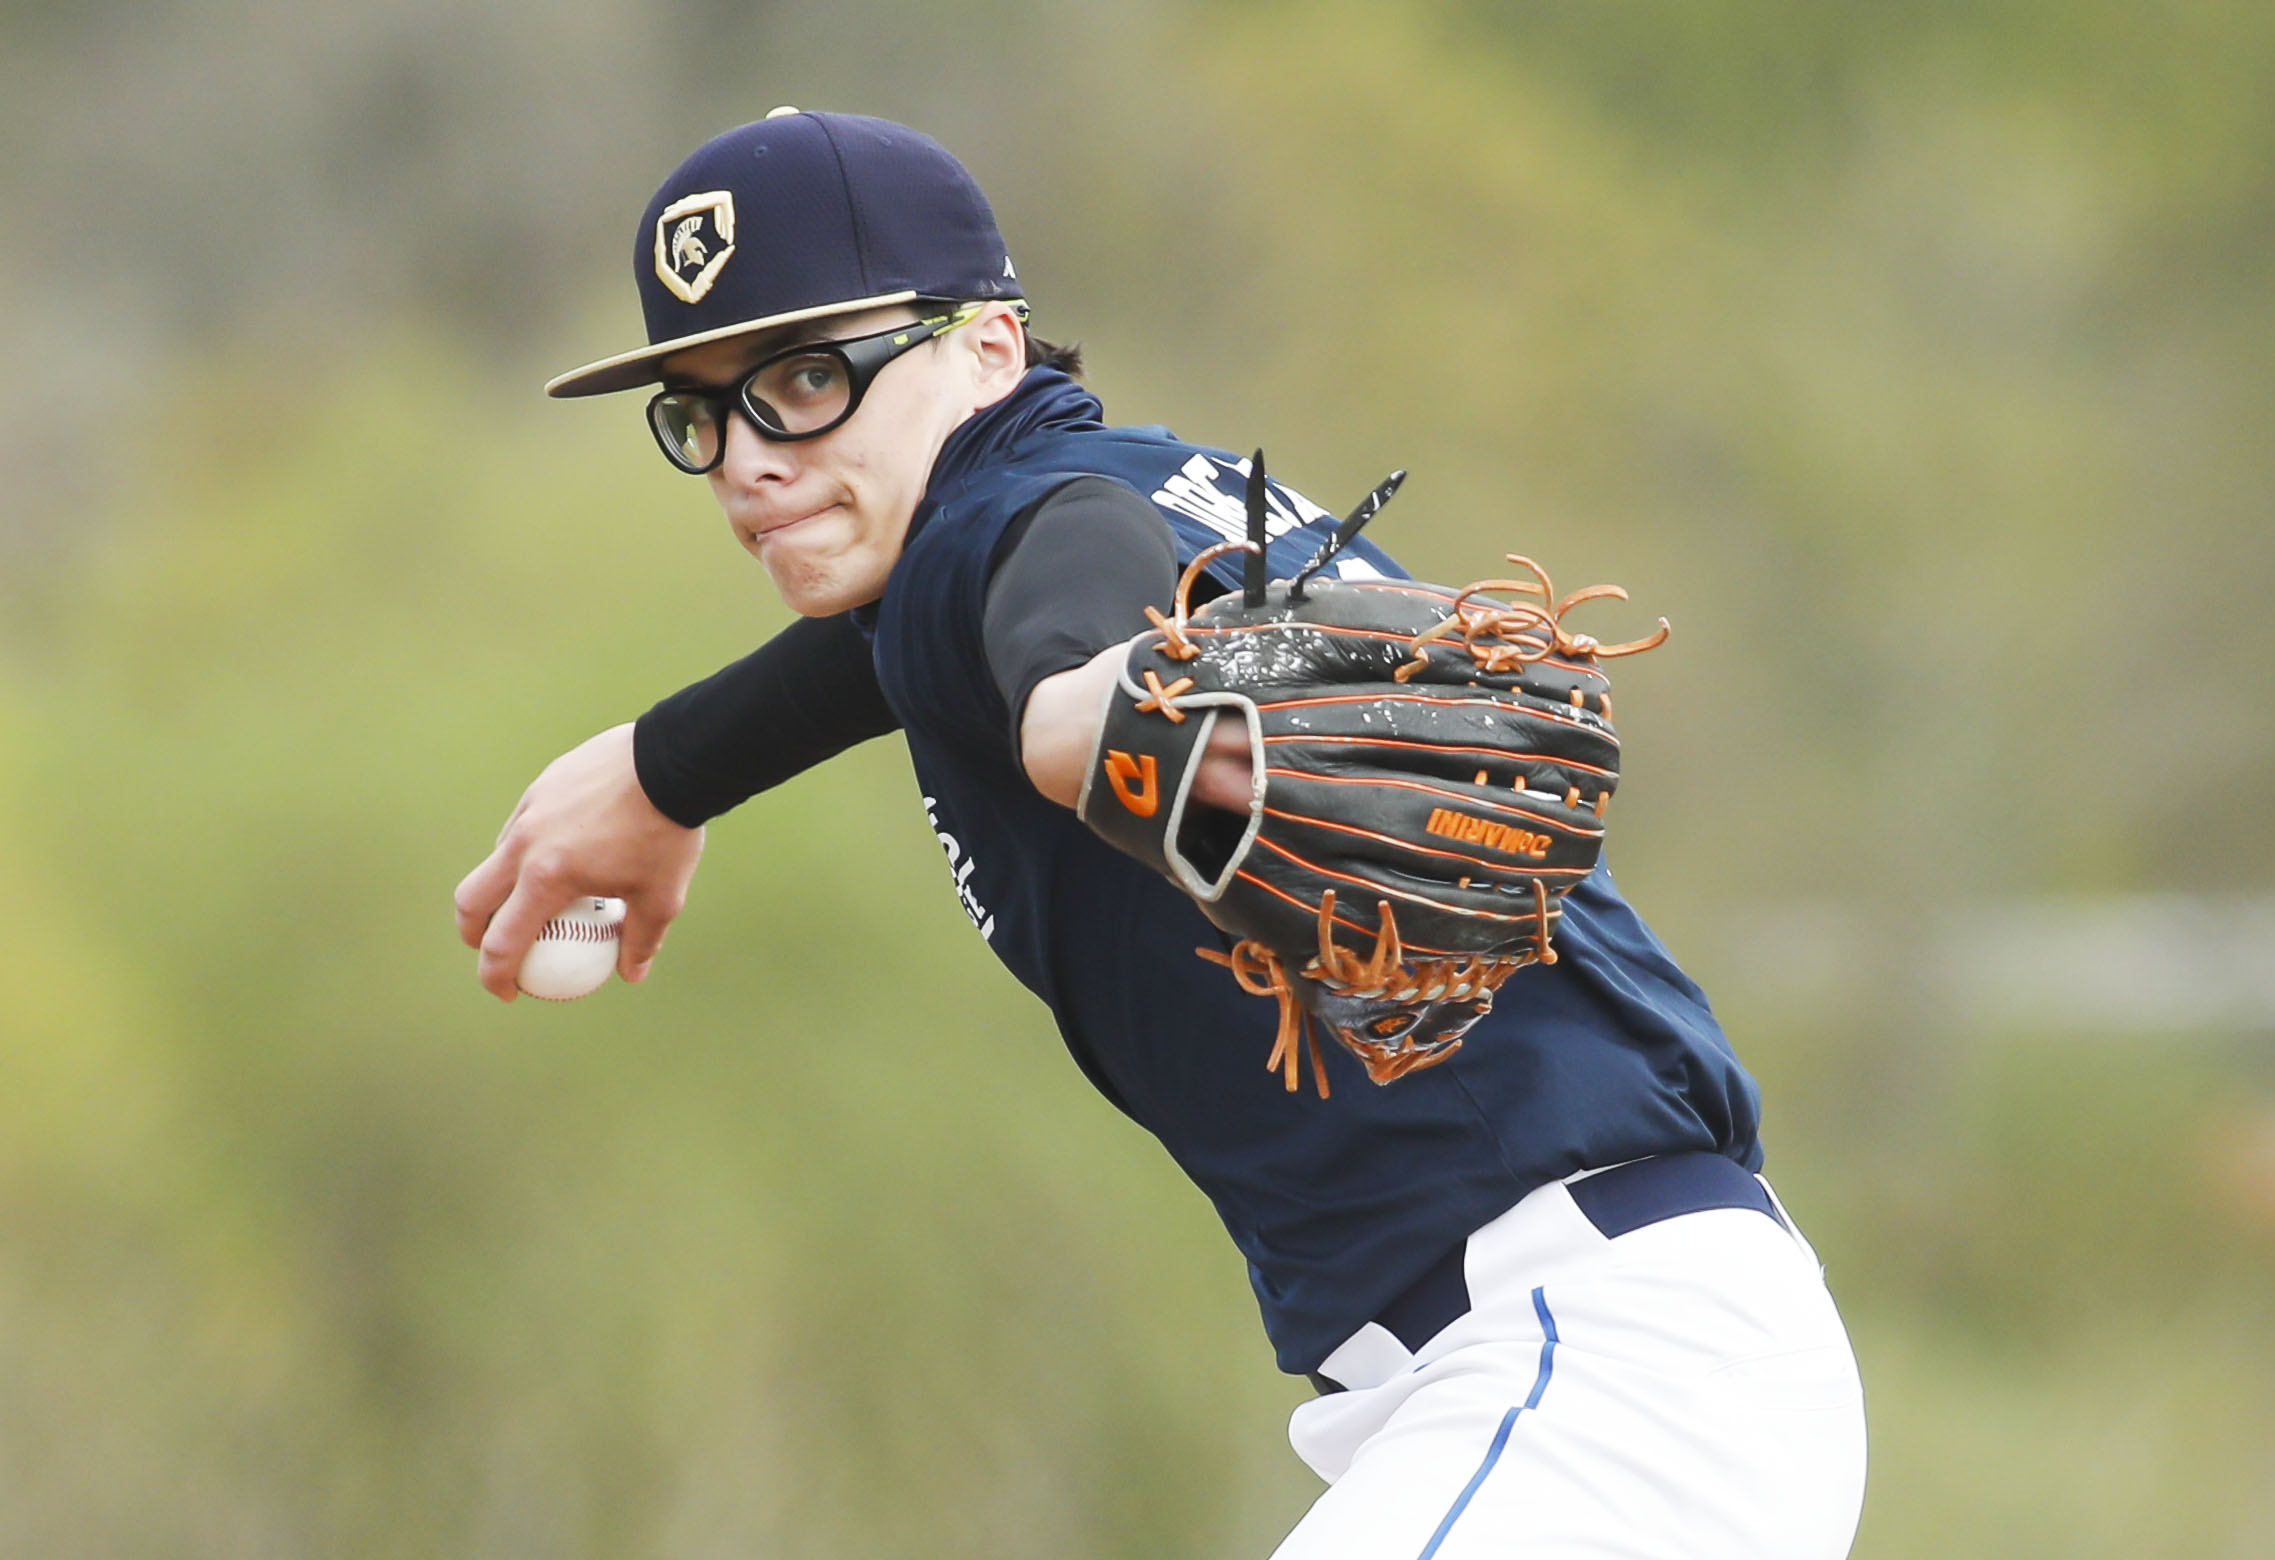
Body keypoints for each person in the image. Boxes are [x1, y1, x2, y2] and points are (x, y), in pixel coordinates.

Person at [454, 108, 1867, 1558]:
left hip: (1591, 1371)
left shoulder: (1020, 533)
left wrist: (1092, 705)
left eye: (806, 379)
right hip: (1597, 1358)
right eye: (701, 413)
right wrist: (662, 769)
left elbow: (1042, 601)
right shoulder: (1111, 484)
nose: (748, 458)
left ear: (988, 345)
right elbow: (921, 627)